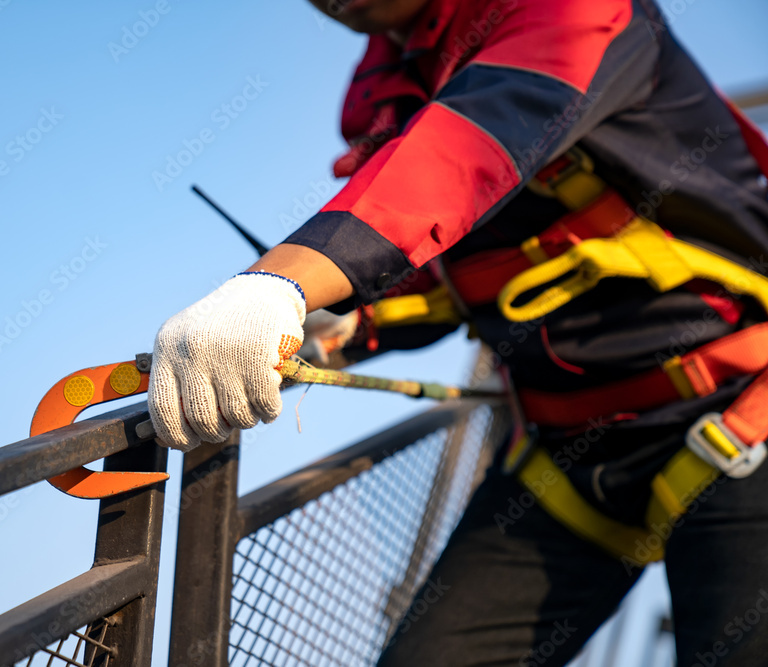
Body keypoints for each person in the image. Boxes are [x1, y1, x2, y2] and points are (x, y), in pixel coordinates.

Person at [148, 0, 768, 663]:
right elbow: (448, 261)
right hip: (562, 458)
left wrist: (278, 280)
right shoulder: (386, 87)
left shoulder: (579, 11)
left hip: (743, 413)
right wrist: (345, 319)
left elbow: (460, 152)